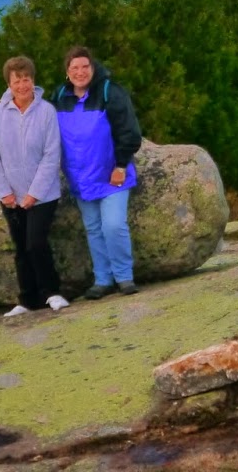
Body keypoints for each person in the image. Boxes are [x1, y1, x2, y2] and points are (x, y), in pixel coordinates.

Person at [53, 45, 143, 298]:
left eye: (85, 66)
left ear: (93, 68)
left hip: (112, 175)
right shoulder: (59, 96)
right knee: (93, 229)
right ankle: (103, 279)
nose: (80, 72)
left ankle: (124, 277)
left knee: (113, 225)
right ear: (67, 71)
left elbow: (129, 132)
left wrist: (121, 165)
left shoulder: (110, 92)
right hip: (81, 178)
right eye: (74, 67)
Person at [0, 55, 68, 317]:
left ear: (33, 80)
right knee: (21, 247)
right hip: (11, 195)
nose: (22, 85)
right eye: (16, 81)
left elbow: (52, 155)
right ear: (9, 84)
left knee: (36, 243)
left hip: (43, 195)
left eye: (26, 79)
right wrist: (3, 192)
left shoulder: (46, 111)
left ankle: (52, 293)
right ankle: (27, 299)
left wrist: (34, 193)